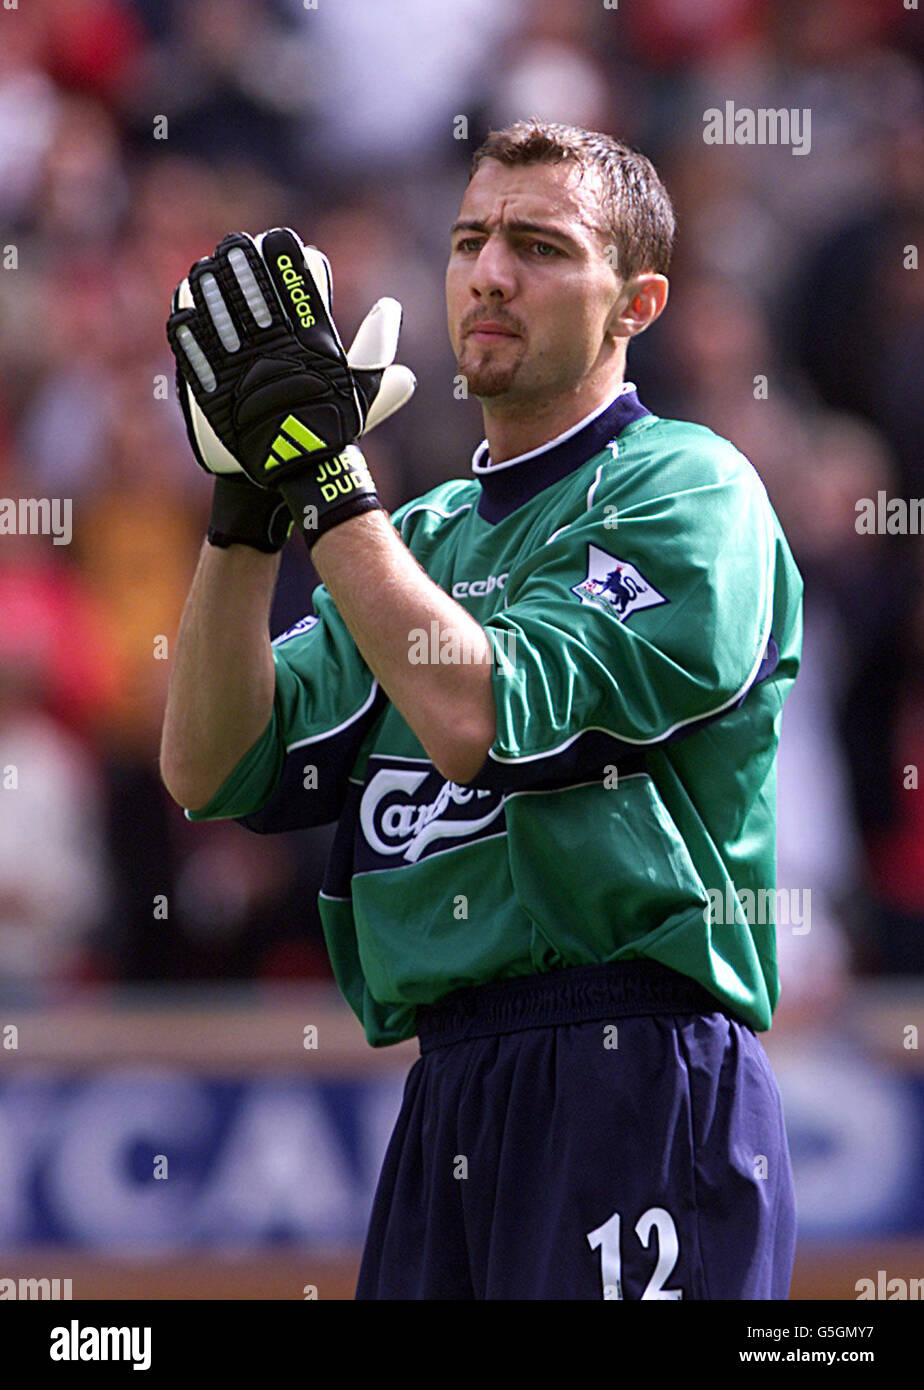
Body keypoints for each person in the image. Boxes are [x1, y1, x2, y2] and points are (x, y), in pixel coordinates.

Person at [160, 120, 802, 1300]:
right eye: (470, 239)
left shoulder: (692, 485)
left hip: (635, 1067)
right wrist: (248, 509)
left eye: (542, 246)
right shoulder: (421, 538)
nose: (491, 272)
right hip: (449, 1085)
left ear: (637, 303)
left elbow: (478, 714)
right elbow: (210, 762)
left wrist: (328, 482)